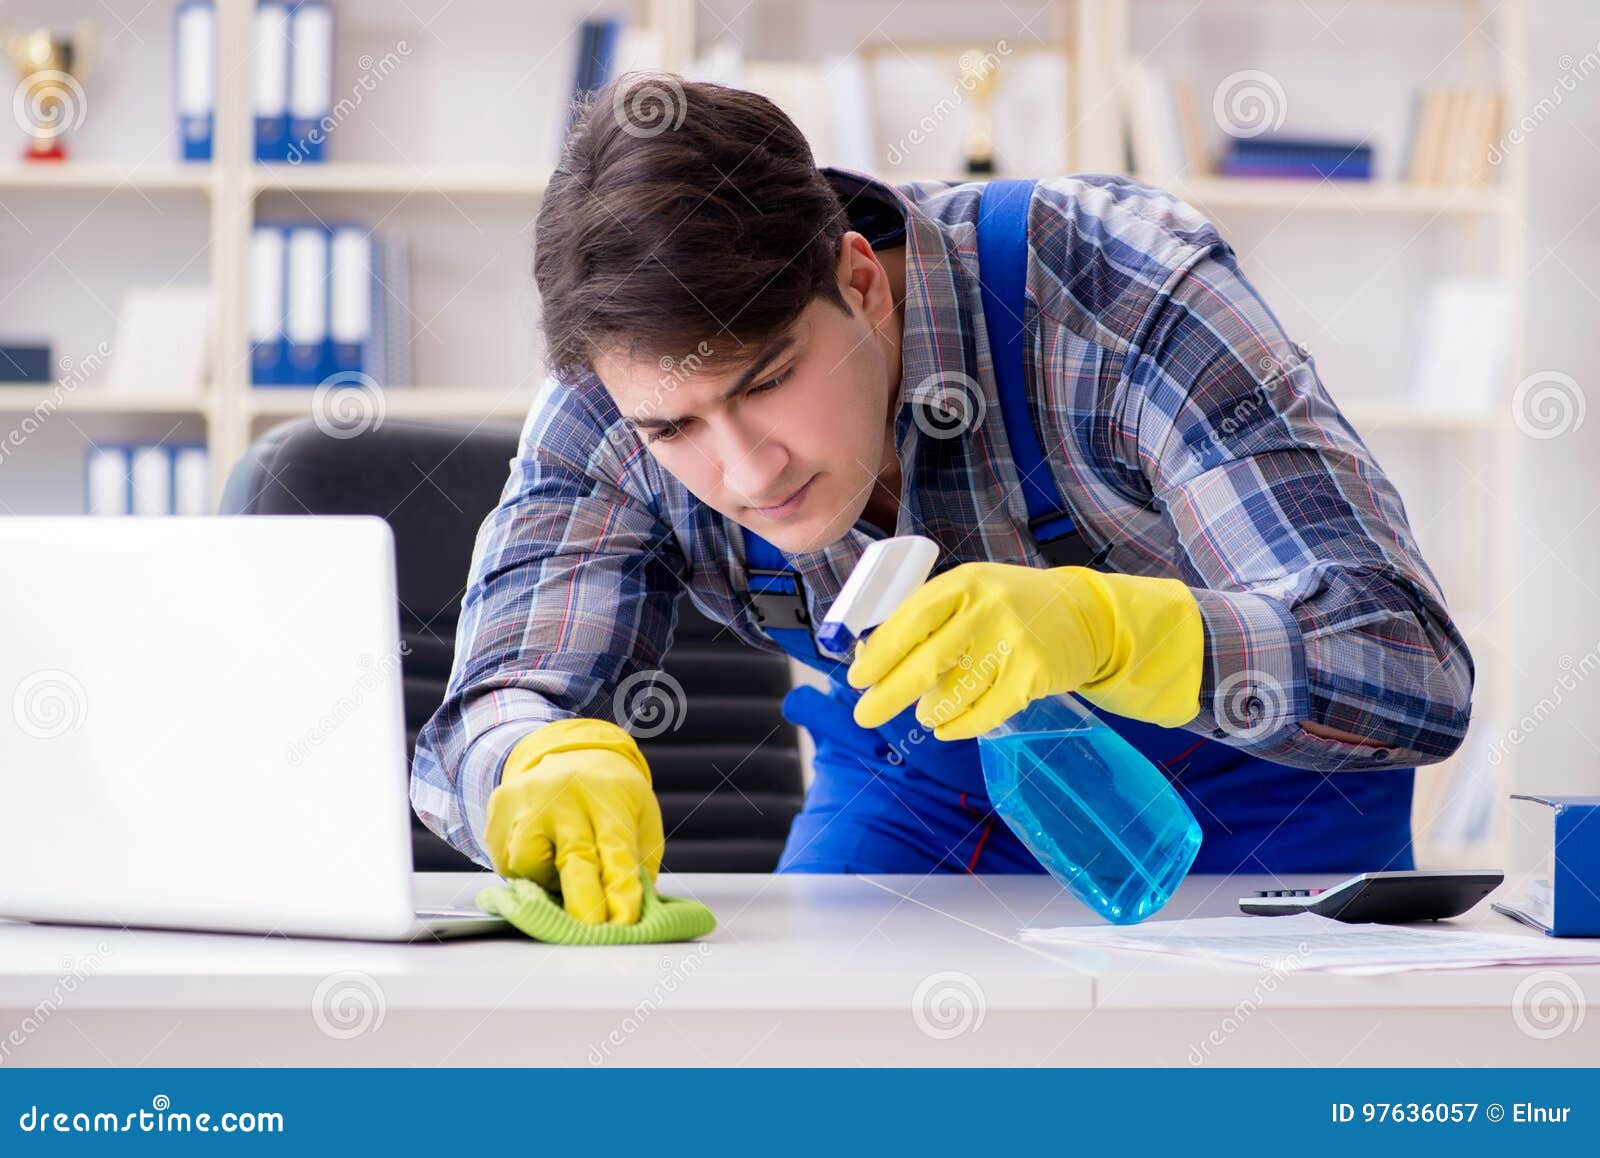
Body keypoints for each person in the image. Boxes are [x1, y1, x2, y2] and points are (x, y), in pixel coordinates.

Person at [411, 76, 1473, 925]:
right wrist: (534, 755)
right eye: (675, 429)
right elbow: (487, 711)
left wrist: (1116, 631)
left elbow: (1408, 669)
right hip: (921, 785)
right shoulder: (614, 395)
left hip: (1257, 786)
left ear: (859, 279)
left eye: (769, 381)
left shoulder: (1116, 289)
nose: (747, 473)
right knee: (813, 1070)